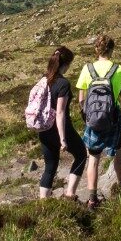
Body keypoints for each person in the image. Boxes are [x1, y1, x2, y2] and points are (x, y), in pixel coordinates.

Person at [27, 45, 85, 201]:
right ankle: (70, 194)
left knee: (50, 166)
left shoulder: (44, 79)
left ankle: (43, 204)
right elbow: (60, 113)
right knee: (81, 155)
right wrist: (63, 138)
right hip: (61, 129)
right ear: (65, 64)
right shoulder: (63, 84)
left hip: (44, 128)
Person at [77, 33, 121, 206]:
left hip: (93, 119)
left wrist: (86, 116)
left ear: (96, 49)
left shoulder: (87, 69)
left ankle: (92, 198)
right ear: (112, 50)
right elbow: (118, 93)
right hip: (113, 117)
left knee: (93, 157)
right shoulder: (119, 69)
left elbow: (81, 97)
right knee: (118, 152)